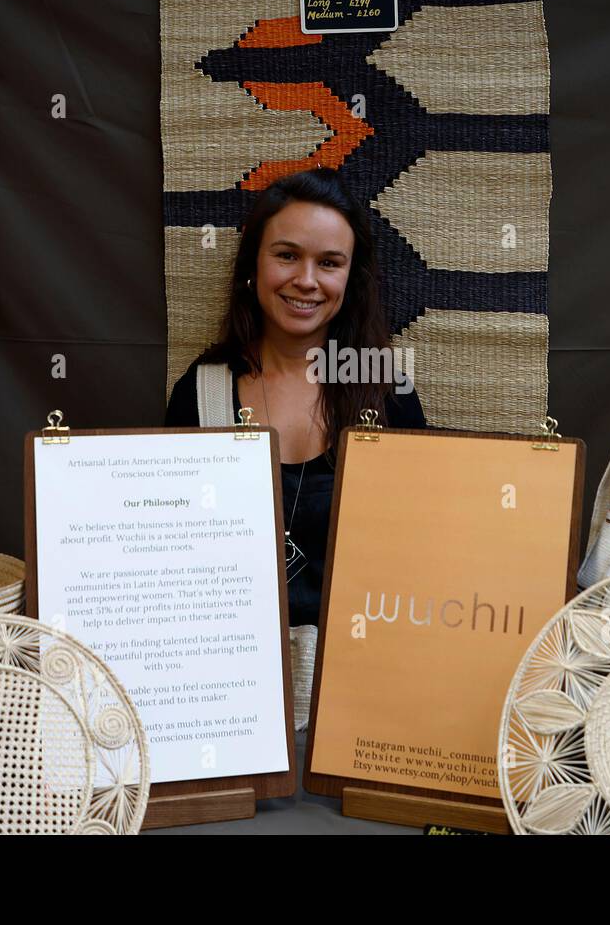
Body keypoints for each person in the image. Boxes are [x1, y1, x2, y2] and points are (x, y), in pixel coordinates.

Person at [165, 168, 426, 628]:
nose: (306, 280)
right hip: (223, 669)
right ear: (254, 265)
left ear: (351, 279)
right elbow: (170, 552)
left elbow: (416, 558)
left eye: (329, 263)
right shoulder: (199, 393)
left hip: (355, 671)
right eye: (287, 255)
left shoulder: (389, 396)